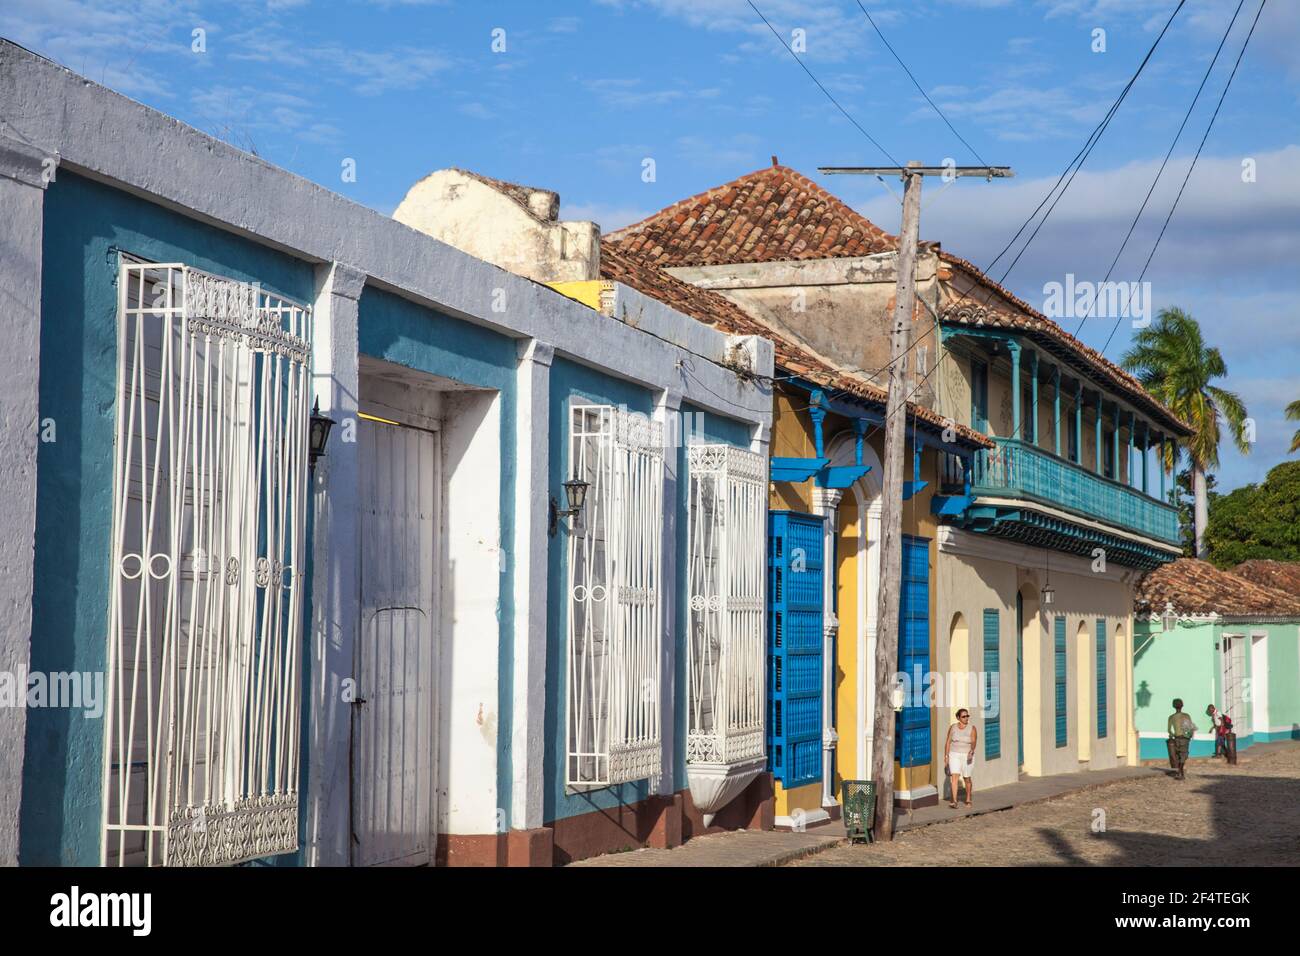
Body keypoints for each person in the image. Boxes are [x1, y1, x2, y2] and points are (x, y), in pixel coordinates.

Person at [944, 708, 978, 808]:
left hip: (967, 755)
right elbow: (948, 742)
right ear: (958, 717)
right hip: (954, 754)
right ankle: (954, 801)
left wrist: (971, 751)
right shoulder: (953, 727)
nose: (966, 718)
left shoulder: (972, 728)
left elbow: (974, 741)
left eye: (967, 716)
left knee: (966, 778)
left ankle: (968, 798)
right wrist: (946, 756)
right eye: (964, 716)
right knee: (954, 777)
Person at [1167, 698, 1197, 780]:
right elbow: (1190, 728)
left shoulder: (1171, 717)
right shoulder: (1186, 715)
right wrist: (1189, 736)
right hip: (1185, 738)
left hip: (1176, 738)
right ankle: (1181, 772)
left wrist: (1173, 735)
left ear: (1173, 706)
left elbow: (1169, 730)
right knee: (1184, 756)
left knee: (1178, 755)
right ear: (1182, 705)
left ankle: (1180, 772)